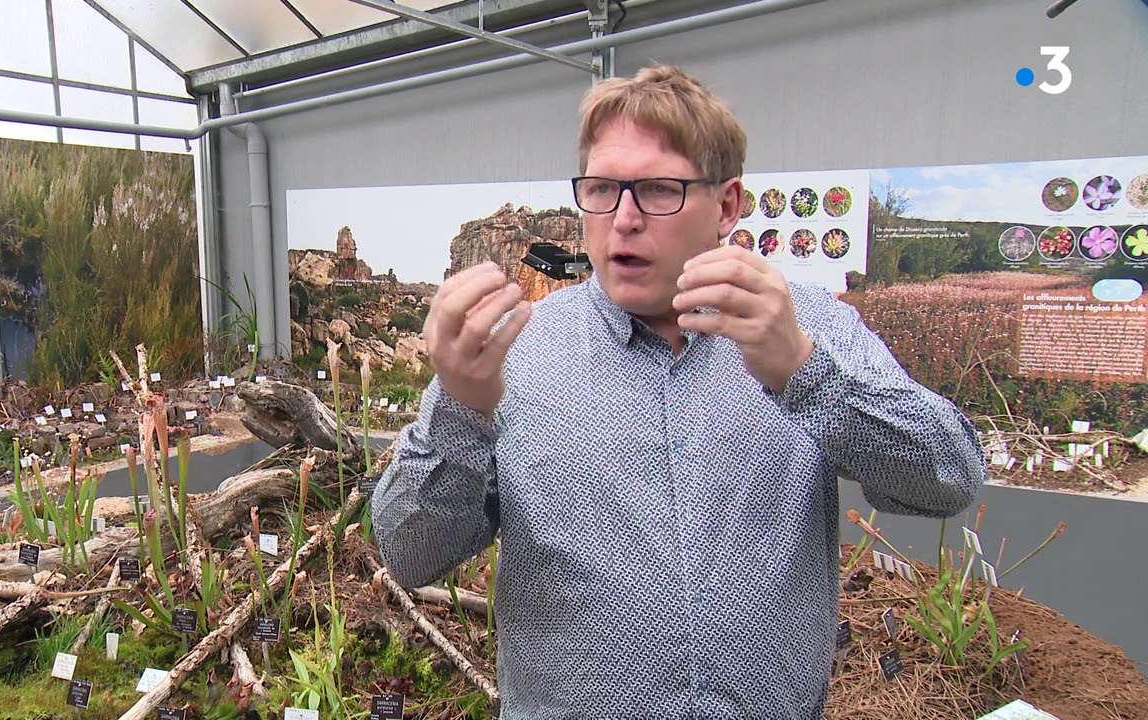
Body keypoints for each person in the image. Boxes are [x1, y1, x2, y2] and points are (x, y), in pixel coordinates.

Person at [370, 63, 986, 720]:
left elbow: (948, 479)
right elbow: (408, 553)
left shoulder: (811, 325)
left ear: (726, 206)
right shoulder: (513, 348)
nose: (624, 220)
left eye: (658, 191)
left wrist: (804, 373)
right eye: (602, 189)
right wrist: (460, 409)